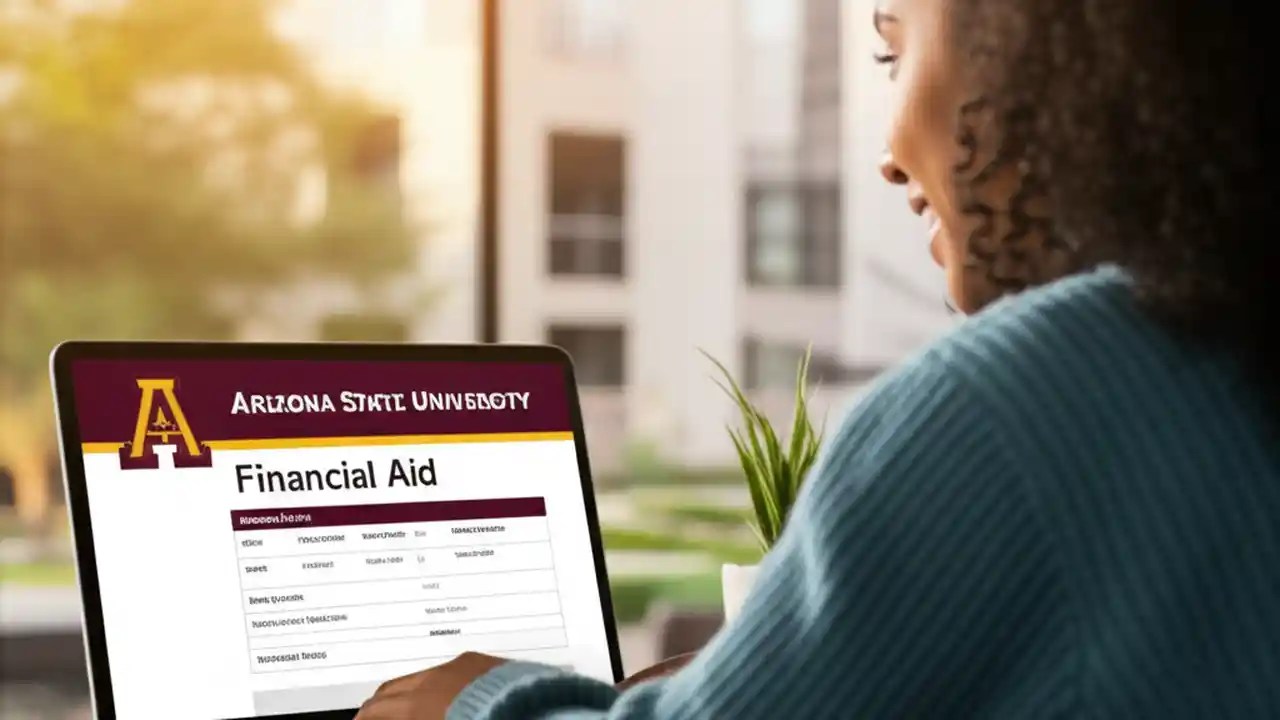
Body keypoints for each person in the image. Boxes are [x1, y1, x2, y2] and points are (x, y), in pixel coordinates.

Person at [358, 0, 1275, 716]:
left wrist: (472, 703)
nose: (885, 156)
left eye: (893, 51)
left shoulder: (1025, 396)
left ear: (1043, 58)